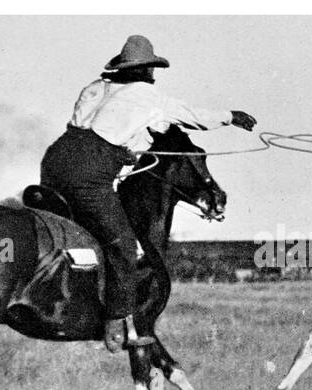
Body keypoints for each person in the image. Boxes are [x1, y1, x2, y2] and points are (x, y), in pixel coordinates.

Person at [41, 35, 257, 352]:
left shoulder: (95, 88)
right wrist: (230, 116)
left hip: (55, 159)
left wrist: (128, 146)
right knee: (124, 245)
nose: (153, 76)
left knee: (75, 231)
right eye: (152, 70)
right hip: (88, 172)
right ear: (144, 71)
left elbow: (97, 129)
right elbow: (192, 116)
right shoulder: (148, 96)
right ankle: (116, 324)